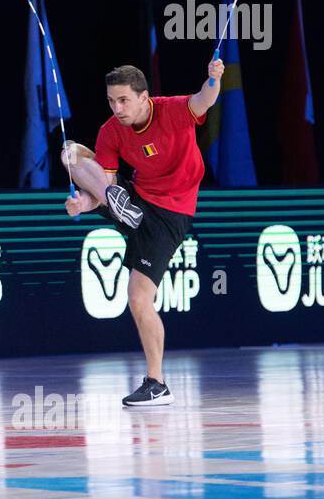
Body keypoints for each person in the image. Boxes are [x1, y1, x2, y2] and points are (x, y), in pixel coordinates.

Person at [61, 60, 224, 406]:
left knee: (137, 299)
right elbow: (103, 181)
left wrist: (214, 78)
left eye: (123, 101)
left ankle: (157, 383)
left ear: (144, 98)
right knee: (71, 152)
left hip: (170, 213)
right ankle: (123, 209)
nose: (117, 109)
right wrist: (85, 205)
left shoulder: (173, 111)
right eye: (111, 101)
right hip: (132, 198)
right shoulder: (111, 131)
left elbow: (204, 99)